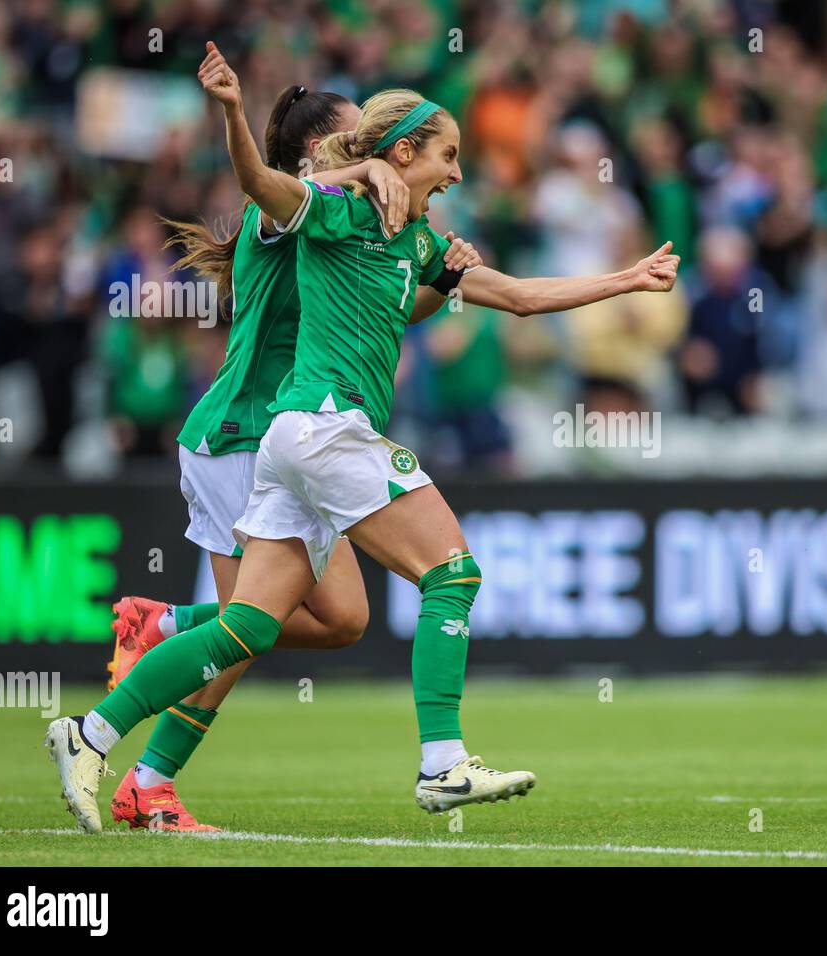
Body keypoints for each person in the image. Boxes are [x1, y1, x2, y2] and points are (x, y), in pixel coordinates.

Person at [45, 41, 680, 831]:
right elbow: (263, 187)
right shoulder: (327, 210)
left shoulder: (406, 236)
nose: (456, 173)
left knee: (272, 623)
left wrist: (624, 277)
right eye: (446, 156)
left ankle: (95, 728)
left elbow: (509, 296)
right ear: (390, 151)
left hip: (283, 435)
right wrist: (242, 114)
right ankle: (440, 763)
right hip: (286, 427)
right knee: (449, 572)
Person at [101, 81, 482, 831]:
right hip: (250, 431)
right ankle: (146, 777)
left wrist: (448, 275)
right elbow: (269, 185)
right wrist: (355, 169)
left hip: (271, 433)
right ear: (321, 153)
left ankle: (168, 628)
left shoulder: (358, 226)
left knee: (334, 618)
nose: (368, 150)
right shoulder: (289, 212)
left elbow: (408, 300)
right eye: (354, 140)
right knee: (248, 631)